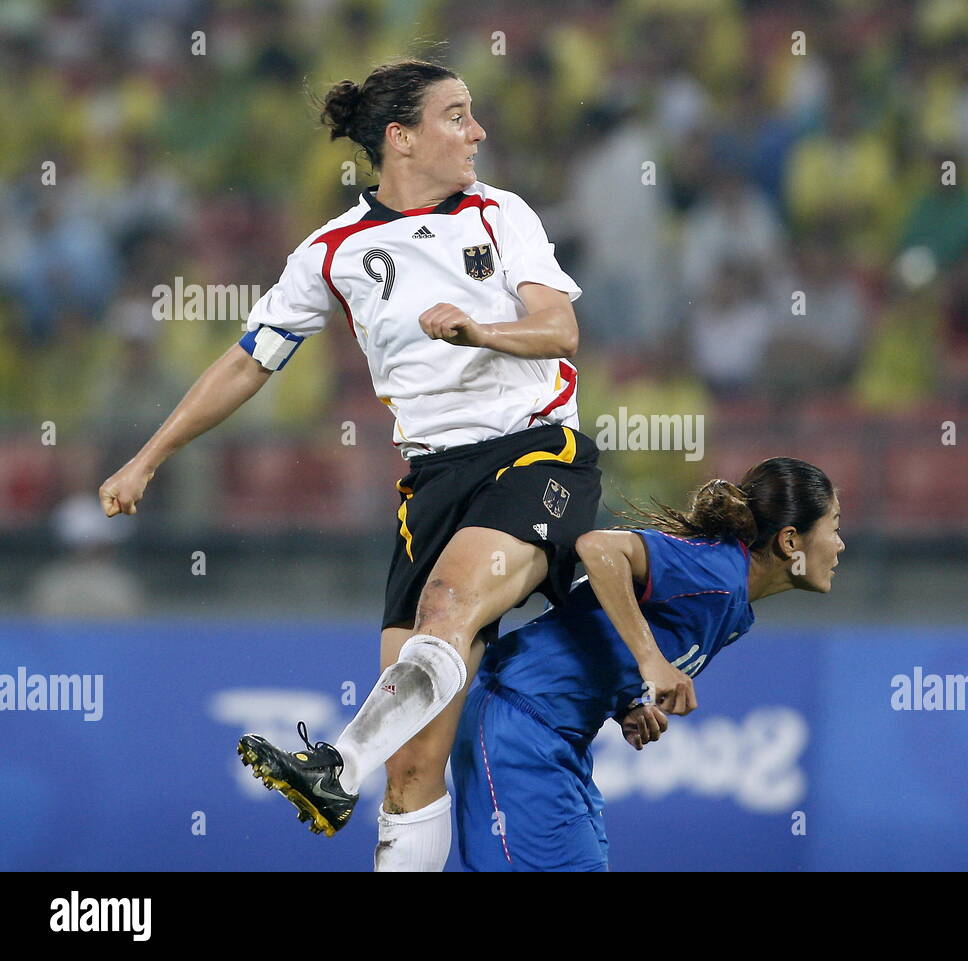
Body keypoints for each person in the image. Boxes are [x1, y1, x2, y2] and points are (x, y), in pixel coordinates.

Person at [97, 58, 694, 868]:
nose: (477, 130)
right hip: (433, 486)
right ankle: (357, 775)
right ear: (400, 137)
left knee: (448, 606)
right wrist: (148, 456)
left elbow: (559, 331)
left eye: (473, 114)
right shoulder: (330, 251)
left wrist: (479, 331)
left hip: (534, 455)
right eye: (457, 115)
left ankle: (333, 764)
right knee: (413, 765)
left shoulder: (501, 213)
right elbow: (248, 360)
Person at [451, 457, 843, 871]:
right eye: (834, 527)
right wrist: (651, 661)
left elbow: (589, 615)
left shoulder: (733, 608)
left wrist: (626, 703)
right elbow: (598, 549)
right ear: (790, 541)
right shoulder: (717, 571)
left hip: (558, 739)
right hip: (520, 729)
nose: (840, 544)